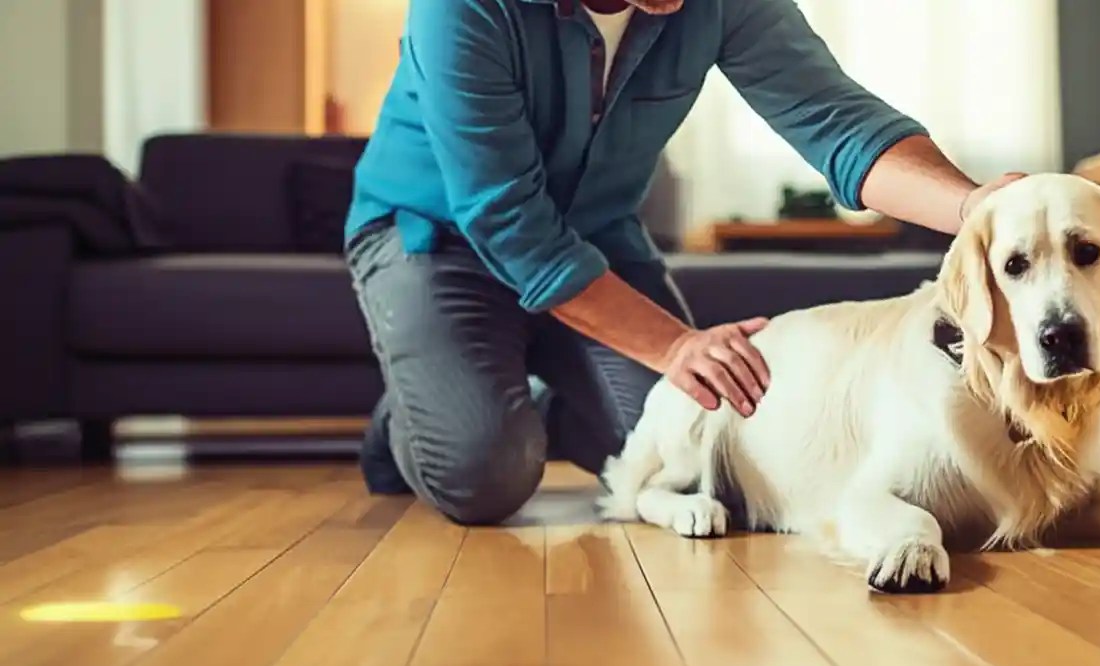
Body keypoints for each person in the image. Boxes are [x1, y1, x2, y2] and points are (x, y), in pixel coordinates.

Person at [344, 0, 1025, 525]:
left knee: (691, 453)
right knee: (484, 474)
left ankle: (520, 409)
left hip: (595, 241)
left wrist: (973, 210)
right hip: (436, 241)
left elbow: (835, 120)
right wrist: (675, 346)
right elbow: (504, 216)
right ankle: (413, 416)